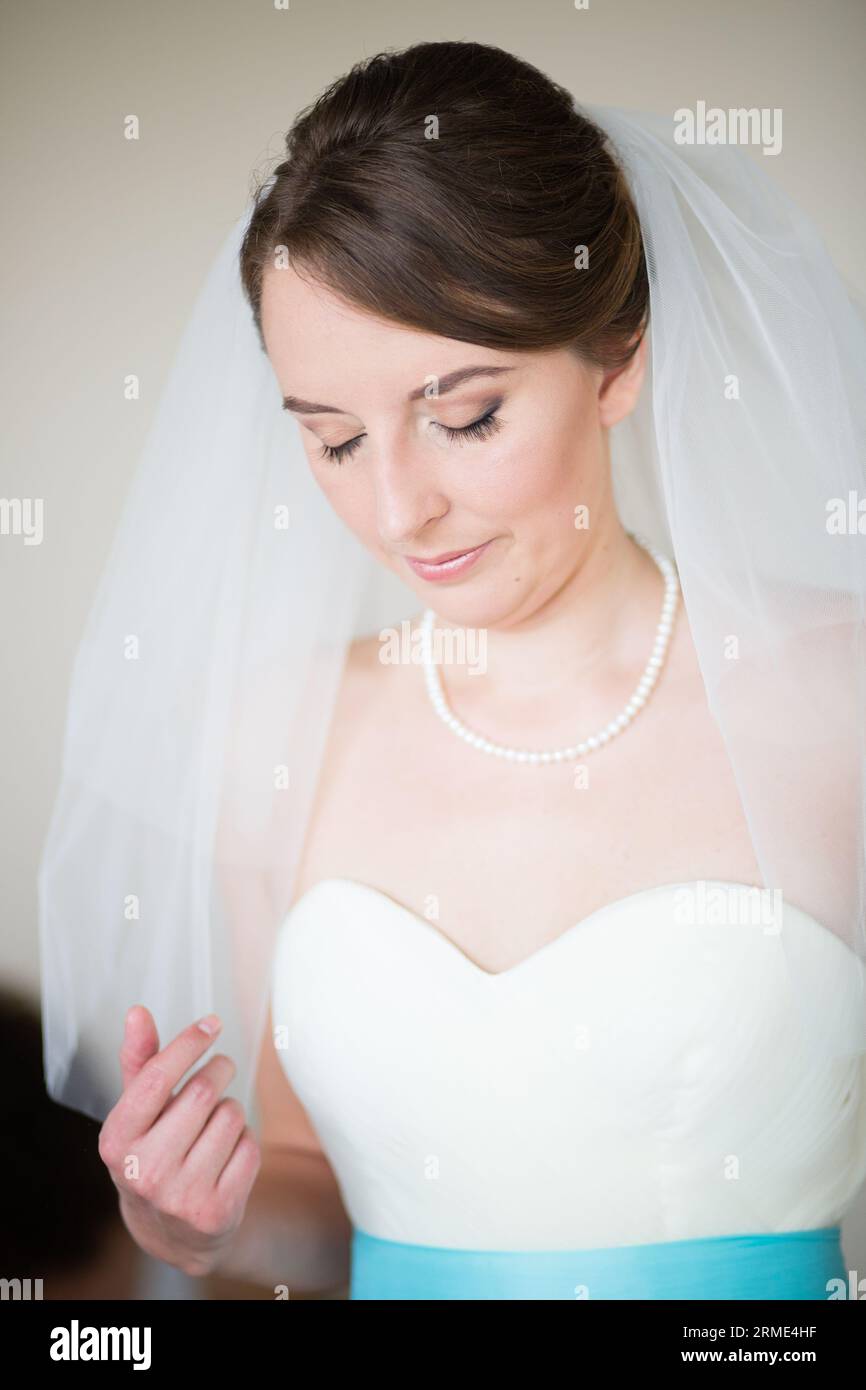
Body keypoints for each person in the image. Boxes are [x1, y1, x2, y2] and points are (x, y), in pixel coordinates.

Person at [54, 40, 866, 1300]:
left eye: (464, 417)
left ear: (619, 355)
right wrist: (200, 1226)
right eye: (332, 441)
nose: (396, 510)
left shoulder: (838, 700)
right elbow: (315, 1196)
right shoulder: (287, 730)